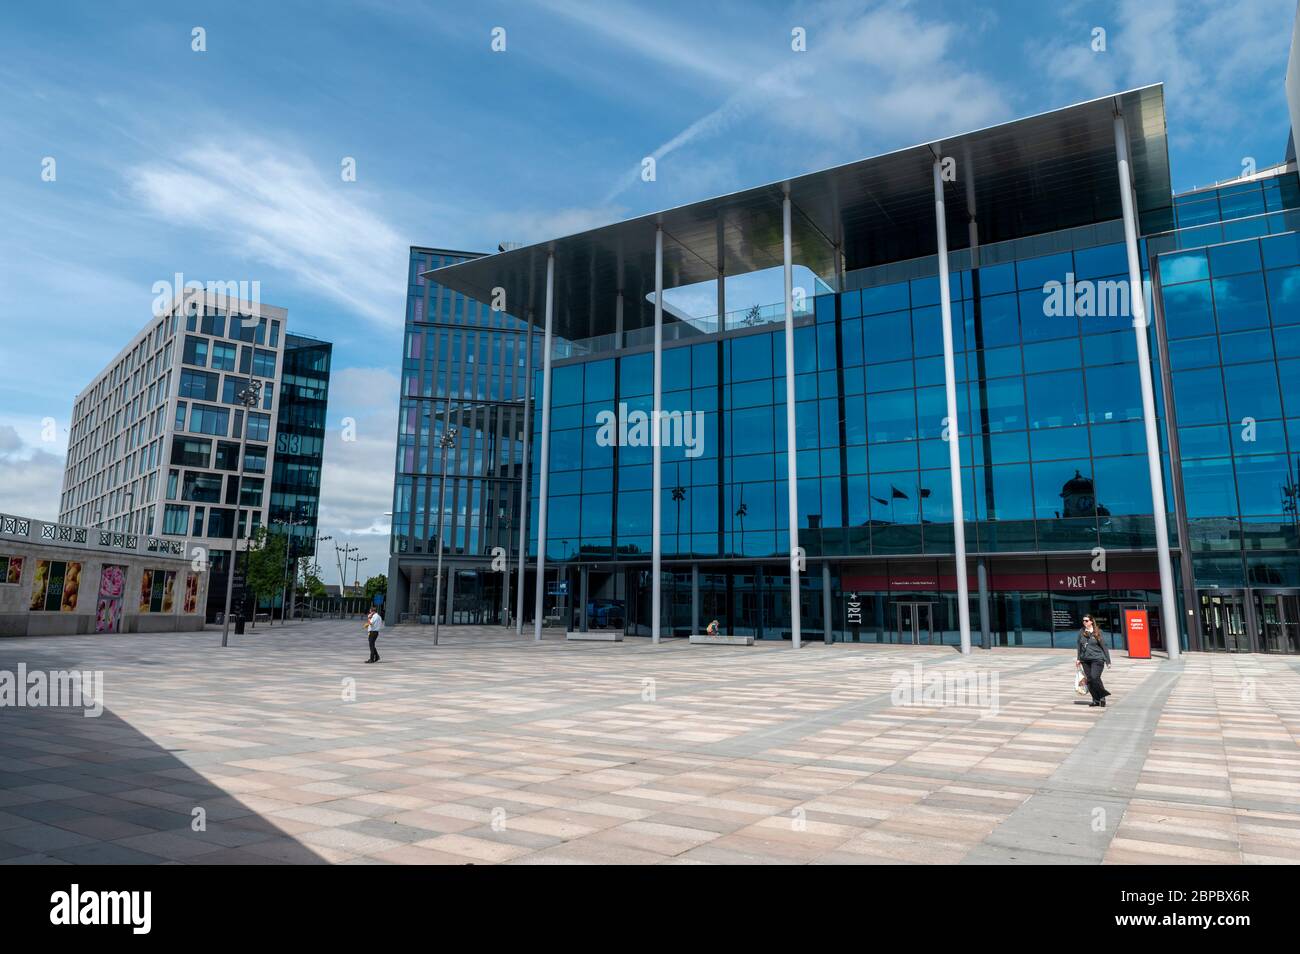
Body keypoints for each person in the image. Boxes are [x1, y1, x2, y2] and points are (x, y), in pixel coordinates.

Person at [1076, 613, 1111, 707]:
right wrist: (1078, 659)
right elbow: (1079, 646)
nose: (1084, 622)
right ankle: (1095, 699)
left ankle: (1102, 696)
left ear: (1091, 621)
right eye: (1083, 620)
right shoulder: (1081, 631)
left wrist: (1108, 661)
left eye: (1086, 620)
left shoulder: (1097, 631)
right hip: (1085, 660)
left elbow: (1104, 647)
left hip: (1098, 659)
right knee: (1090, 680)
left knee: (1095, 677)